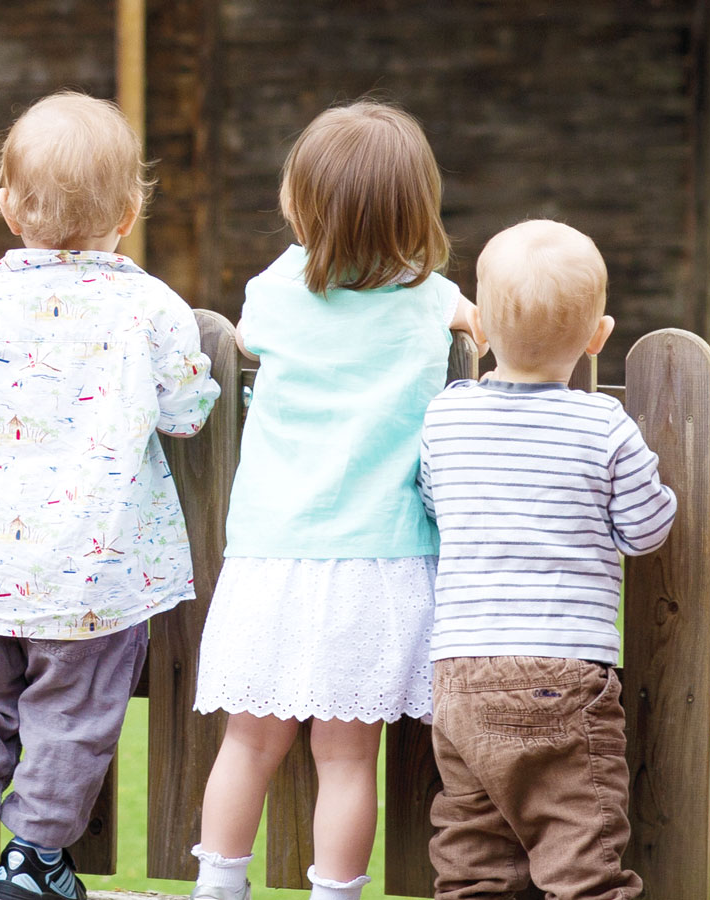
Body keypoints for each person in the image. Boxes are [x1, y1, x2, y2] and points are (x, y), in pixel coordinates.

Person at [0, 92, 216, 900]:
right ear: (129, 208)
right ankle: (34, 858)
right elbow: (184, 413)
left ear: (6, 205)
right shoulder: (150, 307)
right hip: (94, 570)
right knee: (70, 713)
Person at [187, 99, 470, 900]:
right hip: (378, 563)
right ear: (416, 211)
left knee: (246, 745)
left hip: (273, 558)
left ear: (299, 202)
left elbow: (241, 338)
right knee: (347, 761)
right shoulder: (428, 299)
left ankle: (218, 887)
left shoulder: (275, 291)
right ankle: (336, 894)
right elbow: (476, 322)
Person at [414, 220, 672, 899]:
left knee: (473, 857)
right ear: (598, 337)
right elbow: (645, 531)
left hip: (461, 670)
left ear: (482, 331)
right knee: (579, 852)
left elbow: (434, 502)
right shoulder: (603, 426)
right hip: (562, 670)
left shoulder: (447, 416)